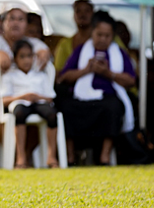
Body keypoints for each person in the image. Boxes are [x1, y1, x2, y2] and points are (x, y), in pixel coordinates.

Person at [56, 11, 135, 165]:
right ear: (92, 32)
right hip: (80, 97)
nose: (103, 39)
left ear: (113, 36)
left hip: (107, 97)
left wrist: (108, 73)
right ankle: (70, 156)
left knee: (114, 107)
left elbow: (131, 80)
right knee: (65, 106)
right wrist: (86, 70)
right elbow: (63, 77)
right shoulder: (81, 50)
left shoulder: (119, 53)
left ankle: (105, 156)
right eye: (99, 35)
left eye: (107, 36)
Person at [0, 7, 51, 144]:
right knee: (0, 111)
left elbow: (44, 53)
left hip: (23, 96)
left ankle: (25, 154)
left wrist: (44, 53)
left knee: (42, 111)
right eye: (12, 19)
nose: (16, 23)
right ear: (3, 22)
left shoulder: (33, 43)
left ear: (26, 24)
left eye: (20, 19)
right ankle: (9, 152)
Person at [0, 39, 59, 169]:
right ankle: (21, 157)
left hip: (39, 102)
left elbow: (50, 97)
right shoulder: (10, 75)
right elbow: (4, 100)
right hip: (19, 102)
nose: (26, 60)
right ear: (15, 59)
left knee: (52, 115)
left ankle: (52, 156)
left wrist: (36, 97)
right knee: (19, 114)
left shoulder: (40, 75)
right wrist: (23, 97)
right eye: (22, 56)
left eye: (29, 56)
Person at [53, 0, 94, 72]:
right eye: (78, 11)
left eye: (87, 11)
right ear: (74, 16)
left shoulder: (108, 40)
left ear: (93, 14)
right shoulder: (64, 44)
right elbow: (58, 74)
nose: (82, 14)